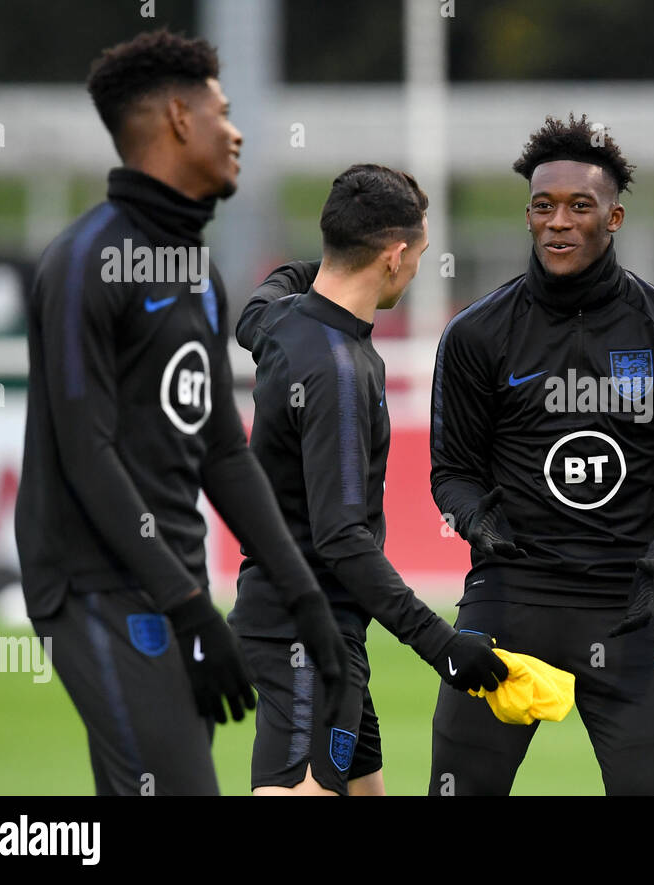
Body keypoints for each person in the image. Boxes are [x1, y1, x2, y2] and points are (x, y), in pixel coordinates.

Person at [15, 30, 347, 796]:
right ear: (176, 118)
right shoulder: (85, 260)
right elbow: (85, 451)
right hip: (96, 588)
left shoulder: (195, 270)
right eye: (223, 112)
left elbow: (224, 455)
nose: (237, 133)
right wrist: (190, 608)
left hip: (171, 586)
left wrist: (307, 595)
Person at [429, 114, 654, 795]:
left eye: (579, 206)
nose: (558, 221)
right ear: (528, 215)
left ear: (613, 217)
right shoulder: (477, 334)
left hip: (633, 606)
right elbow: (453, 470)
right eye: (543, 205)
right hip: (510, 602)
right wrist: (477, 520)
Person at [229, 164, 507, 796]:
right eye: (419, 257)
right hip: (307, 632)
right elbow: (342, 540)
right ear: (395, 254)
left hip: (305, 624)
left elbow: (263, 299)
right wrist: (444, 646)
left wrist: (334, 251)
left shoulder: (279, 325)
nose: (416, 272)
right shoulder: (340, 374)